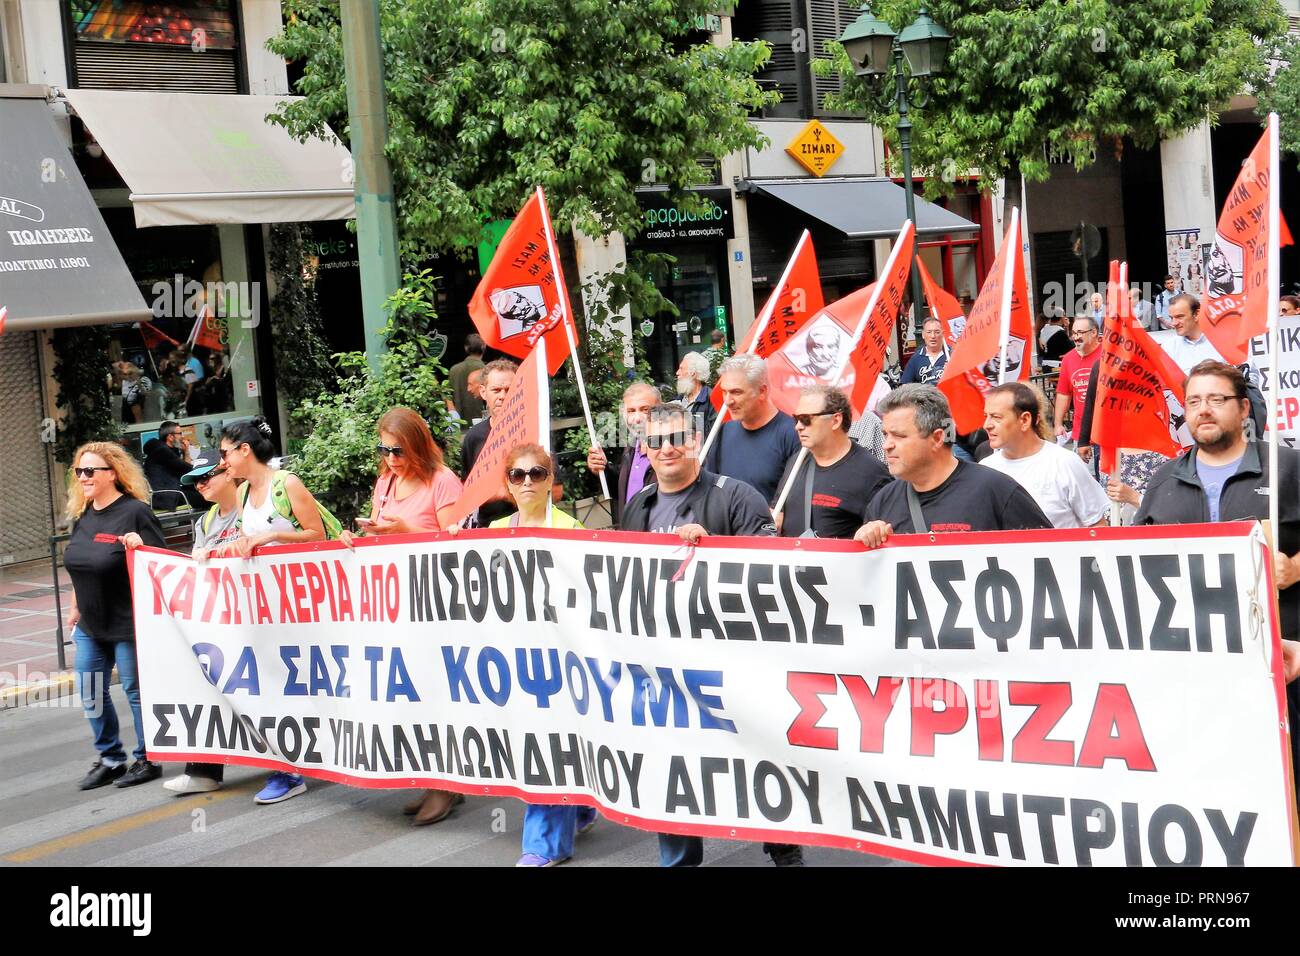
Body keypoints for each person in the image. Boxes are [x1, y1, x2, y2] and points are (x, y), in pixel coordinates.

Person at [623, 404, 802, 867]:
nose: (668, 448)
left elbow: (769, 565)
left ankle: (783, 848)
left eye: (678, 436)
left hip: (732, 659)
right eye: (657, 441)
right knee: (671, 763)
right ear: (645, 448)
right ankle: (679, 859)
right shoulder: (636, 506)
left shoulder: (736, 496)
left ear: (697, 440)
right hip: (663, 662)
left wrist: (716, 550)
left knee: (756, 756)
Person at [1131, 360, 1300, 801]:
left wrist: (1297, 567)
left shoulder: (1286, 469)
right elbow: (1133, 562)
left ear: (1244, 408)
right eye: (1194, 401)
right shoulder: (1164, 478)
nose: (1204, 410)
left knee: (1286, 787)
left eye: (1216, 400)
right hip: (1194, 669)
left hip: (1282, 663)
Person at [340, 407, 465, 825]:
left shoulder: (442, 481)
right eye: (384, 449)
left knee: (435, 694)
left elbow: (457, 541)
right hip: (396, 604)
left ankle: (445, 783)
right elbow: (381, 530)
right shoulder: (387, 480)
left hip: (437, 603)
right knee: (411, 694)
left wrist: (403, 532)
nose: (391, 457)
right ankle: (435, 777)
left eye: (398, 449)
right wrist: (357, 536)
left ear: (417, 444)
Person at [492, 444, 595, 864]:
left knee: (548, 742)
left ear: (552, 481)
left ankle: (542, 844)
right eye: (518, 475)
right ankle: (582, 802)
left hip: (562, 656)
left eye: (537, 473)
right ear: (508, 484)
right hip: (514, 654)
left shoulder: (572, 530)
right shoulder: (495, 532)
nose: (528, 482)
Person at [220, 416, 328, 804]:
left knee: (304, 683)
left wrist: (273, 535)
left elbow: (318, 535)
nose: (223, 462)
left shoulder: (288, 483)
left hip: (303, 606)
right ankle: (288, 766)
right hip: (264, 607)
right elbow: (245, 538)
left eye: (225, 453)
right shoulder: (244, 490)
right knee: (272, 685)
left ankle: (315, 759)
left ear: (245, 450)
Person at [62, 442, 167, 790]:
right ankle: (110, 759)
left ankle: (147, 758)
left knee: (136, 690)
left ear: (114, 474)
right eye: (79, 471)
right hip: (91, 623)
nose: (83, 477)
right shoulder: (83, 515)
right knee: (91, 690)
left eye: (90, 470)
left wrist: (142, 546)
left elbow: (161, 564)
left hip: (128, 621)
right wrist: (76, 604)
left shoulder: (135, 512)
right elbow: (80, 563)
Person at [854, 385, 1051, 546]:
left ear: (937, 438)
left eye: (899, 436)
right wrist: (864, 544)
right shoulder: (883, 501)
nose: (887, 445)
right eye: (885, 434)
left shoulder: (997, 491)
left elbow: (1051, 558)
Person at [163, 453, 242, 794]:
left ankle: (291, 767)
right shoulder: (206, 522)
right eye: (194, 481)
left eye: (206, 476)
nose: (200, 485)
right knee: (206, 688)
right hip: (224, 622)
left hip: (263, 622)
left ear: (227, 471)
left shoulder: (253, 508)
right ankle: (202, 769)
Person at [981, 382, 1109, 528]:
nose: (987, 425)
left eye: (996, 417)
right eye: (986, 416)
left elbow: (1097, 526)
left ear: (1025, 420)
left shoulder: (1065, 463)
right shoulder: (985, 469)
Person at [776, 385, 891, 538]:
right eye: (796, 419)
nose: (798, 426)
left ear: (835, 420)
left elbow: (887, 535)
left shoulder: (873, 473)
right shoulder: (797, 461)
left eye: (806, 419)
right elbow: (779, 510)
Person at [706, 353, 802, 503]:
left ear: (762, 391)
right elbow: (710, 487)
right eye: (724, 392)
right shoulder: (723, 431)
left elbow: (796, 498)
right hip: (724, 526)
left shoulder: (793, 434)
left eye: (736, 392)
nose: (727, 401)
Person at [586, 382, 661, 528]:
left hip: (658, 541)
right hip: (629, 540)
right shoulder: (632, 446)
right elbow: (623, 492)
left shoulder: (673, 451)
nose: (637, 418)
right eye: (631, 411)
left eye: (645, 410)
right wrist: (603, 468)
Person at [460, 358, 520, 526]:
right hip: (487, 533)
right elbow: (466, 491)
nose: (503, 396)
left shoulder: (534, 430)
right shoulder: (473, 438)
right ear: (483, 392)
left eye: (509, 389)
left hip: (529, 529)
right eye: (496, 390)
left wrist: (507, 493)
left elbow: (557, 491)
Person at [1054, 315, 1103, 457]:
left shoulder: (1107, 354)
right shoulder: (1068, 359)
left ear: (1093, 333)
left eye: (1080, 333)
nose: (1075, 337)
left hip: (1106, 432)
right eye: (1073, 333)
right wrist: (1058, 424)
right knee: (1085, 477)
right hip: (1081, 434)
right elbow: (1064, 393)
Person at [1162, 293, 1226, 374]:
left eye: (1179, 317)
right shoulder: (1169, 347)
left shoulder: (1224, 343)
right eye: (1171, 318)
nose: (1174, 323)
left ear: (1196, 314)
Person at [143, 421, 200, 508]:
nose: (182, 436)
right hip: (166, 496)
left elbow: (184, 472)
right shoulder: (162, 451)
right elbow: (188, 469)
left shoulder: (167, 449)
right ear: (170, 437)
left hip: (171, 491)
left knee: (200, 491)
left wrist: (185, 451)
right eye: (180, 433)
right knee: (205, 498)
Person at [447, 333, 487, 421]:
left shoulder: (454, 370)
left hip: (458, 422)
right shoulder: (487, 370)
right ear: (484, 347)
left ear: (466, 348)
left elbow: (448, 396)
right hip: (482, 422)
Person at [677, 350, 716, 435]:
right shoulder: (678, 399)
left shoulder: (712, 400)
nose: (677, 373)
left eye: (681, 368)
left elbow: (712, 435)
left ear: (693, 374)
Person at [900, 318, 948, 385]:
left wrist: (952, 371)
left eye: (937, 332)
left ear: (942, 334)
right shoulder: (916, 359)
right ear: (923, 334)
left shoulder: (952, 355)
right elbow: (905, 385)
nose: (933, 336)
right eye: (929, 332)